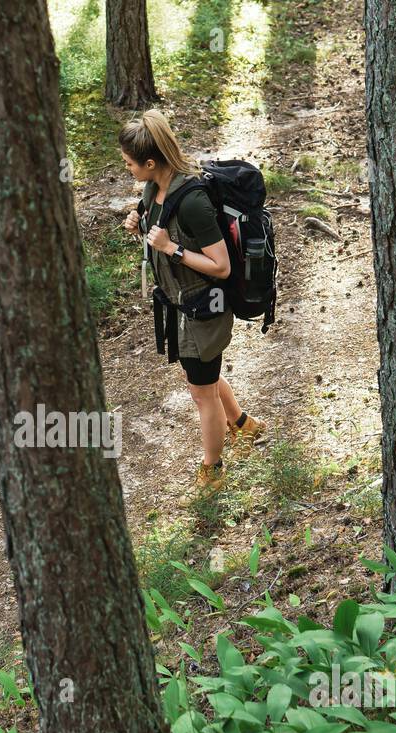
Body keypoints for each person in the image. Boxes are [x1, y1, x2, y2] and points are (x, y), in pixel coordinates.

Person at [121, 110, 265, 492]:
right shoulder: (154, 189)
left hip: (205, 307)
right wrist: (140, 228)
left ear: (151, 162)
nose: (128, 169)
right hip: (181, 304)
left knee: (201, 392)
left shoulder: (193, 201)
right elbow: (160, 241)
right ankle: (243, 424)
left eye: (130, 163)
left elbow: (220, 267)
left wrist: (172, 248)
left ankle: (212, 470)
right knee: (205, 377)